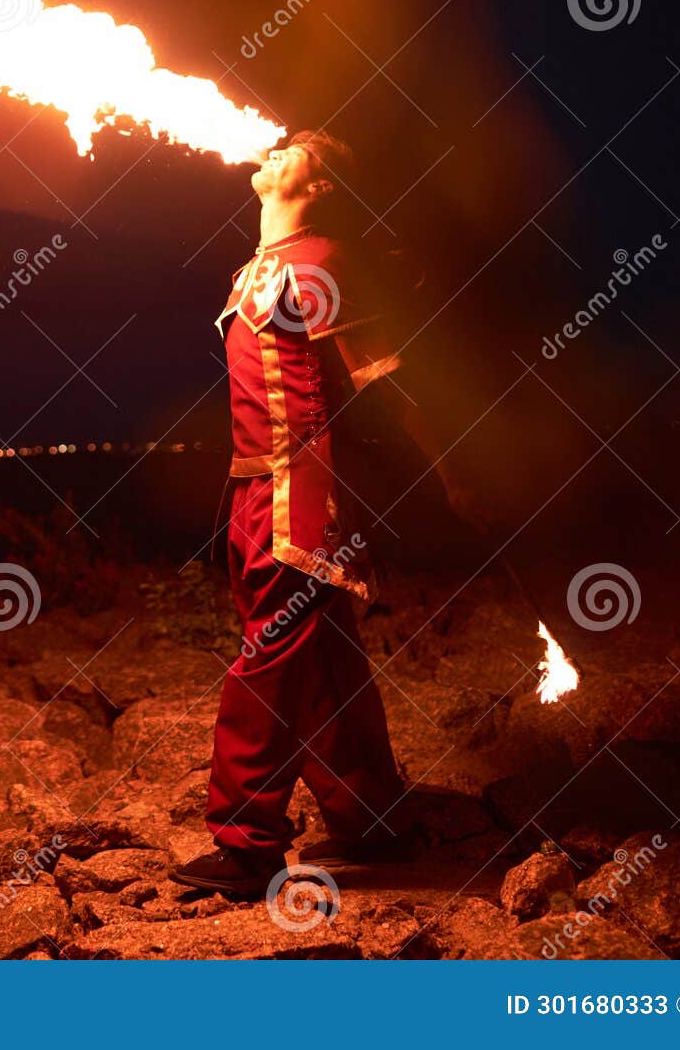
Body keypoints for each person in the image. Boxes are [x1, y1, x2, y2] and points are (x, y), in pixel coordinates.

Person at [170, 130, 465, 897]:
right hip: (249, 486)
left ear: (325, 183)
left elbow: (389, 385)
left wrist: (454, 471)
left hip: (298, 495)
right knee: (324, 658)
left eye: (300, 145)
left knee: (270, 655)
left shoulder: (327, 262)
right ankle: (374, 820)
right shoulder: (254, 271)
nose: (275, 147)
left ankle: (246, 843)